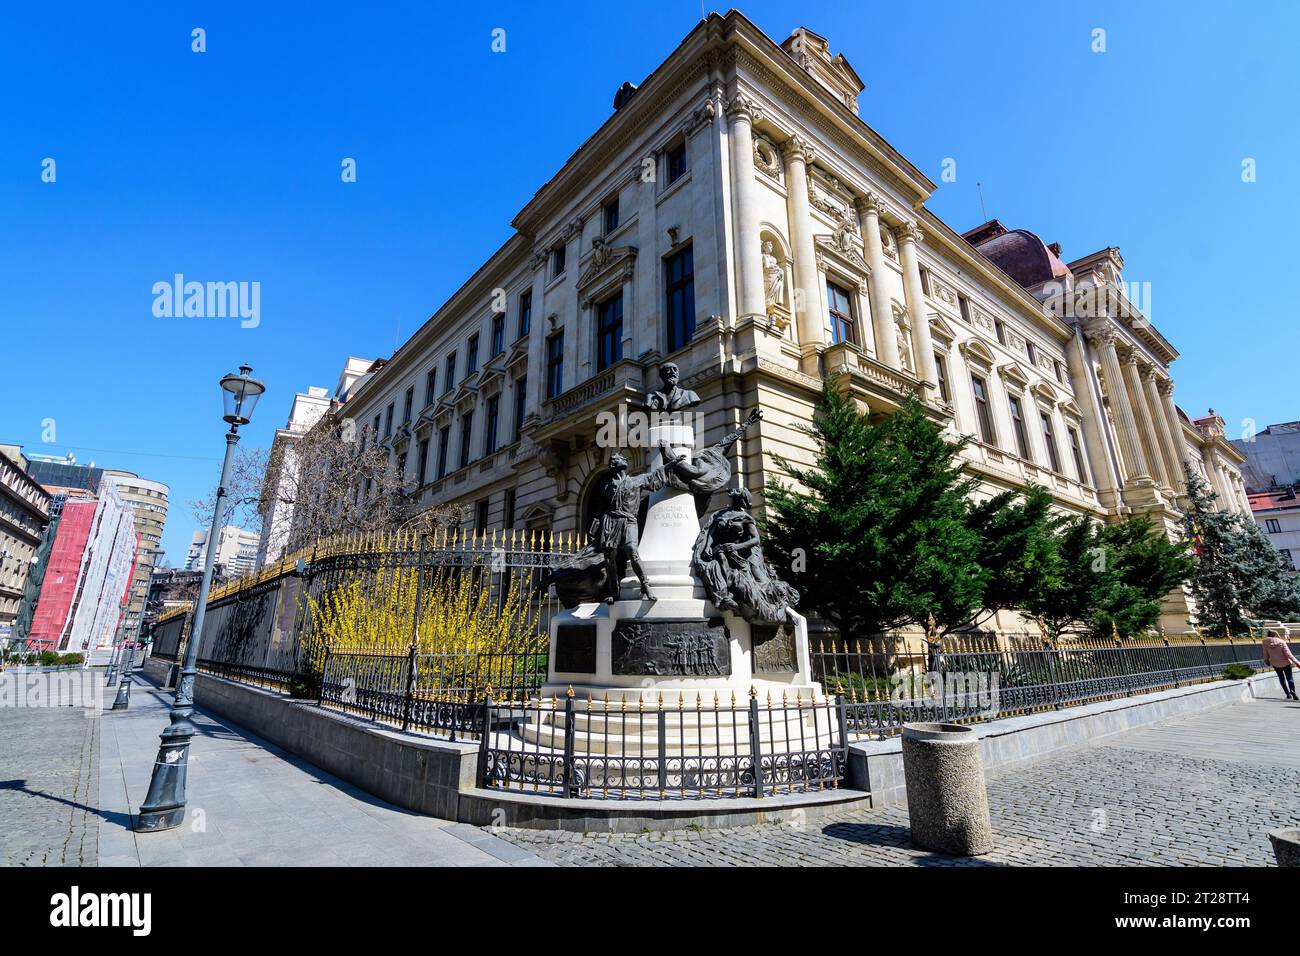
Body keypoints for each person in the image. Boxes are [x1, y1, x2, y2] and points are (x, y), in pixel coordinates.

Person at [1262, 628, 1300, 700]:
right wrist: (1297, 663)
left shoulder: (1265, 642)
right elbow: (1289, 654)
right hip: (1285, 663)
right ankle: (1292, 691)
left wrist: (1266, 660)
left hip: (1275, 663)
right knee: (1289, 678)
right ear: (1275, 635)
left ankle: (1288, 694)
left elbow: (1265, 653)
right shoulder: (1281, 642)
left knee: (1281, 678)